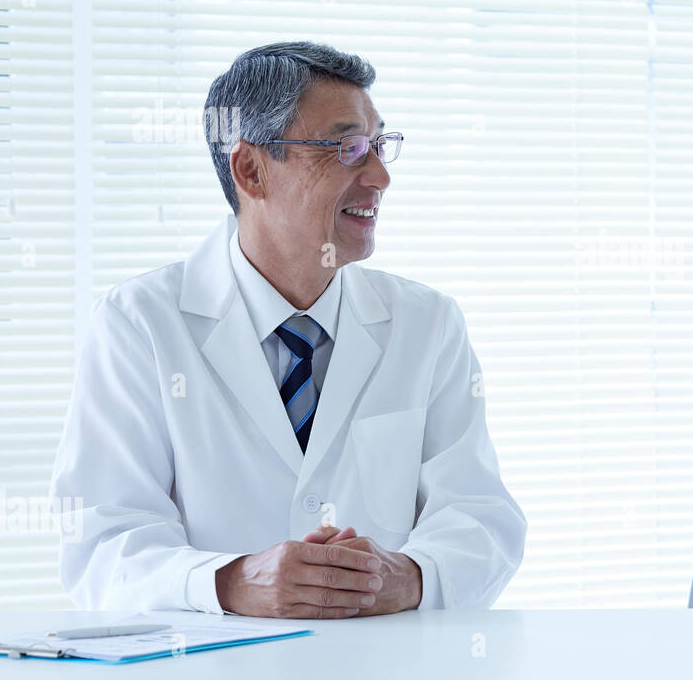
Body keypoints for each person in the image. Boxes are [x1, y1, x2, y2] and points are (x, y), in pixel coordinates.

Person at [50, 41, 526, 617]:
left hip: (386, 672)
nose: (379, 177)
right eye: (347, 147)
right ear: (251, 170)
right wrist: (230, 581)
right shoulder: (138, 325)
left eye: (379, 146)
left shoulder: (427, 323)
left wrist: (410, 575)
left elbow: (480, 516)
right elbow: (100, 545)